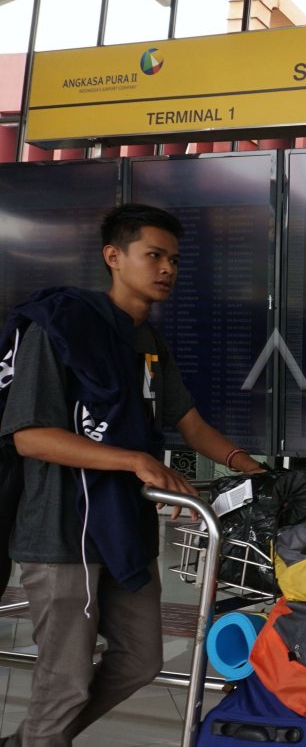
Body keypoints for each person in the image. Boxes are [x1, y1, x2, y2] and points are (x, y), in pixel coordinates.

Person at [0, 203, 263, 747]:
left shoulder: (150, 345)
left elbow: (190, 424)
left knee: (141, 660)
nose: (167, 269)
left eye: (174, 259)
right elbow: (29, 436)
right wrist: (136, 460)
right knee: (66, 680)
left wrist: (255, 471)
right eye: (154, 255)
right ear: (113, 257)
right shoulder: (62, 328)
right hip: (60, 533)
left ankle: (33, 740)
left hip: (126, 528)